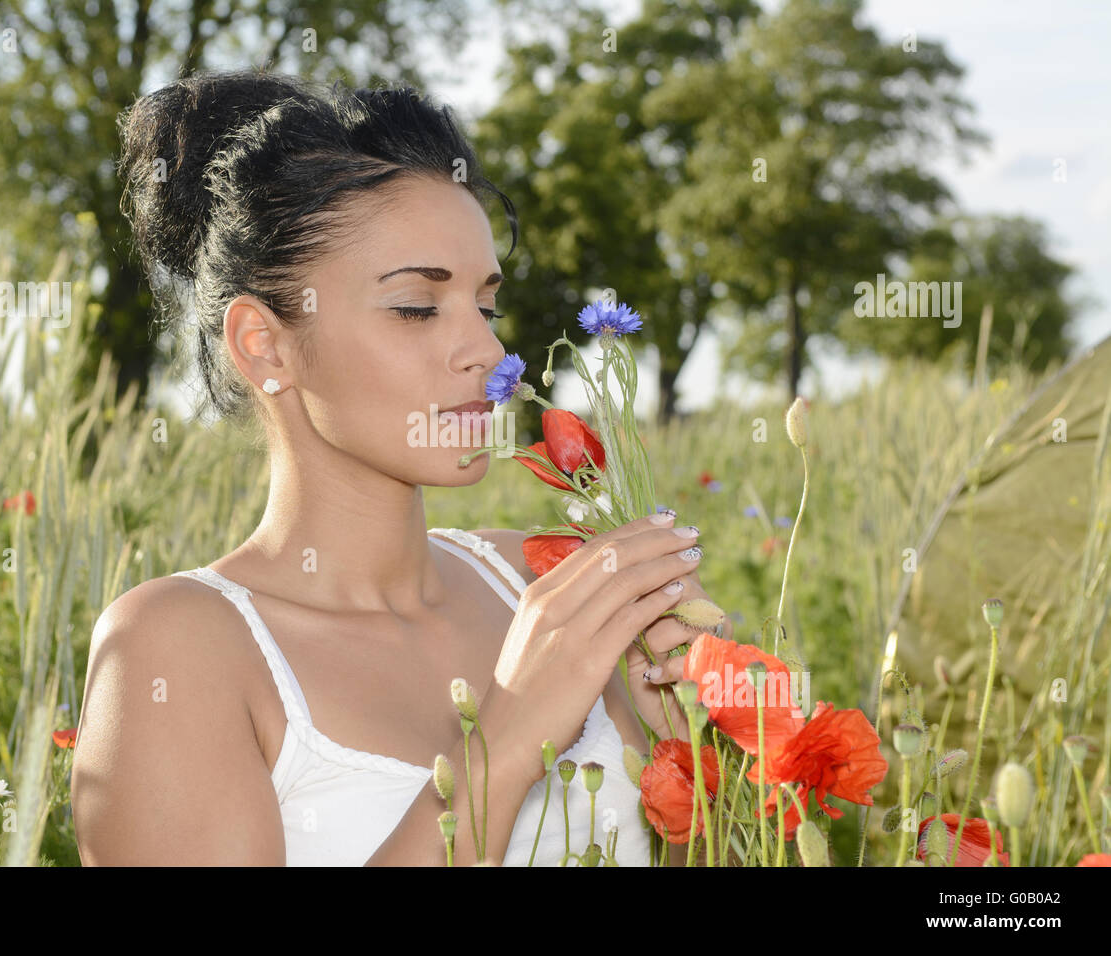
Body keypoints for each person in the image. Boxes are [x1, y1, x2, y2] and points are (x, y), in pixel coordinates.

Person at [70, 68, 721, 866]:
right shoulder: (175, 650)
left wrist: (700, 742)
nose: (487, 352)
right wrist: (508, 736)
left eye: (487, 307)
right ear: (263, 344)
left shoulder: (543, 579)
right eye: (417, 307)